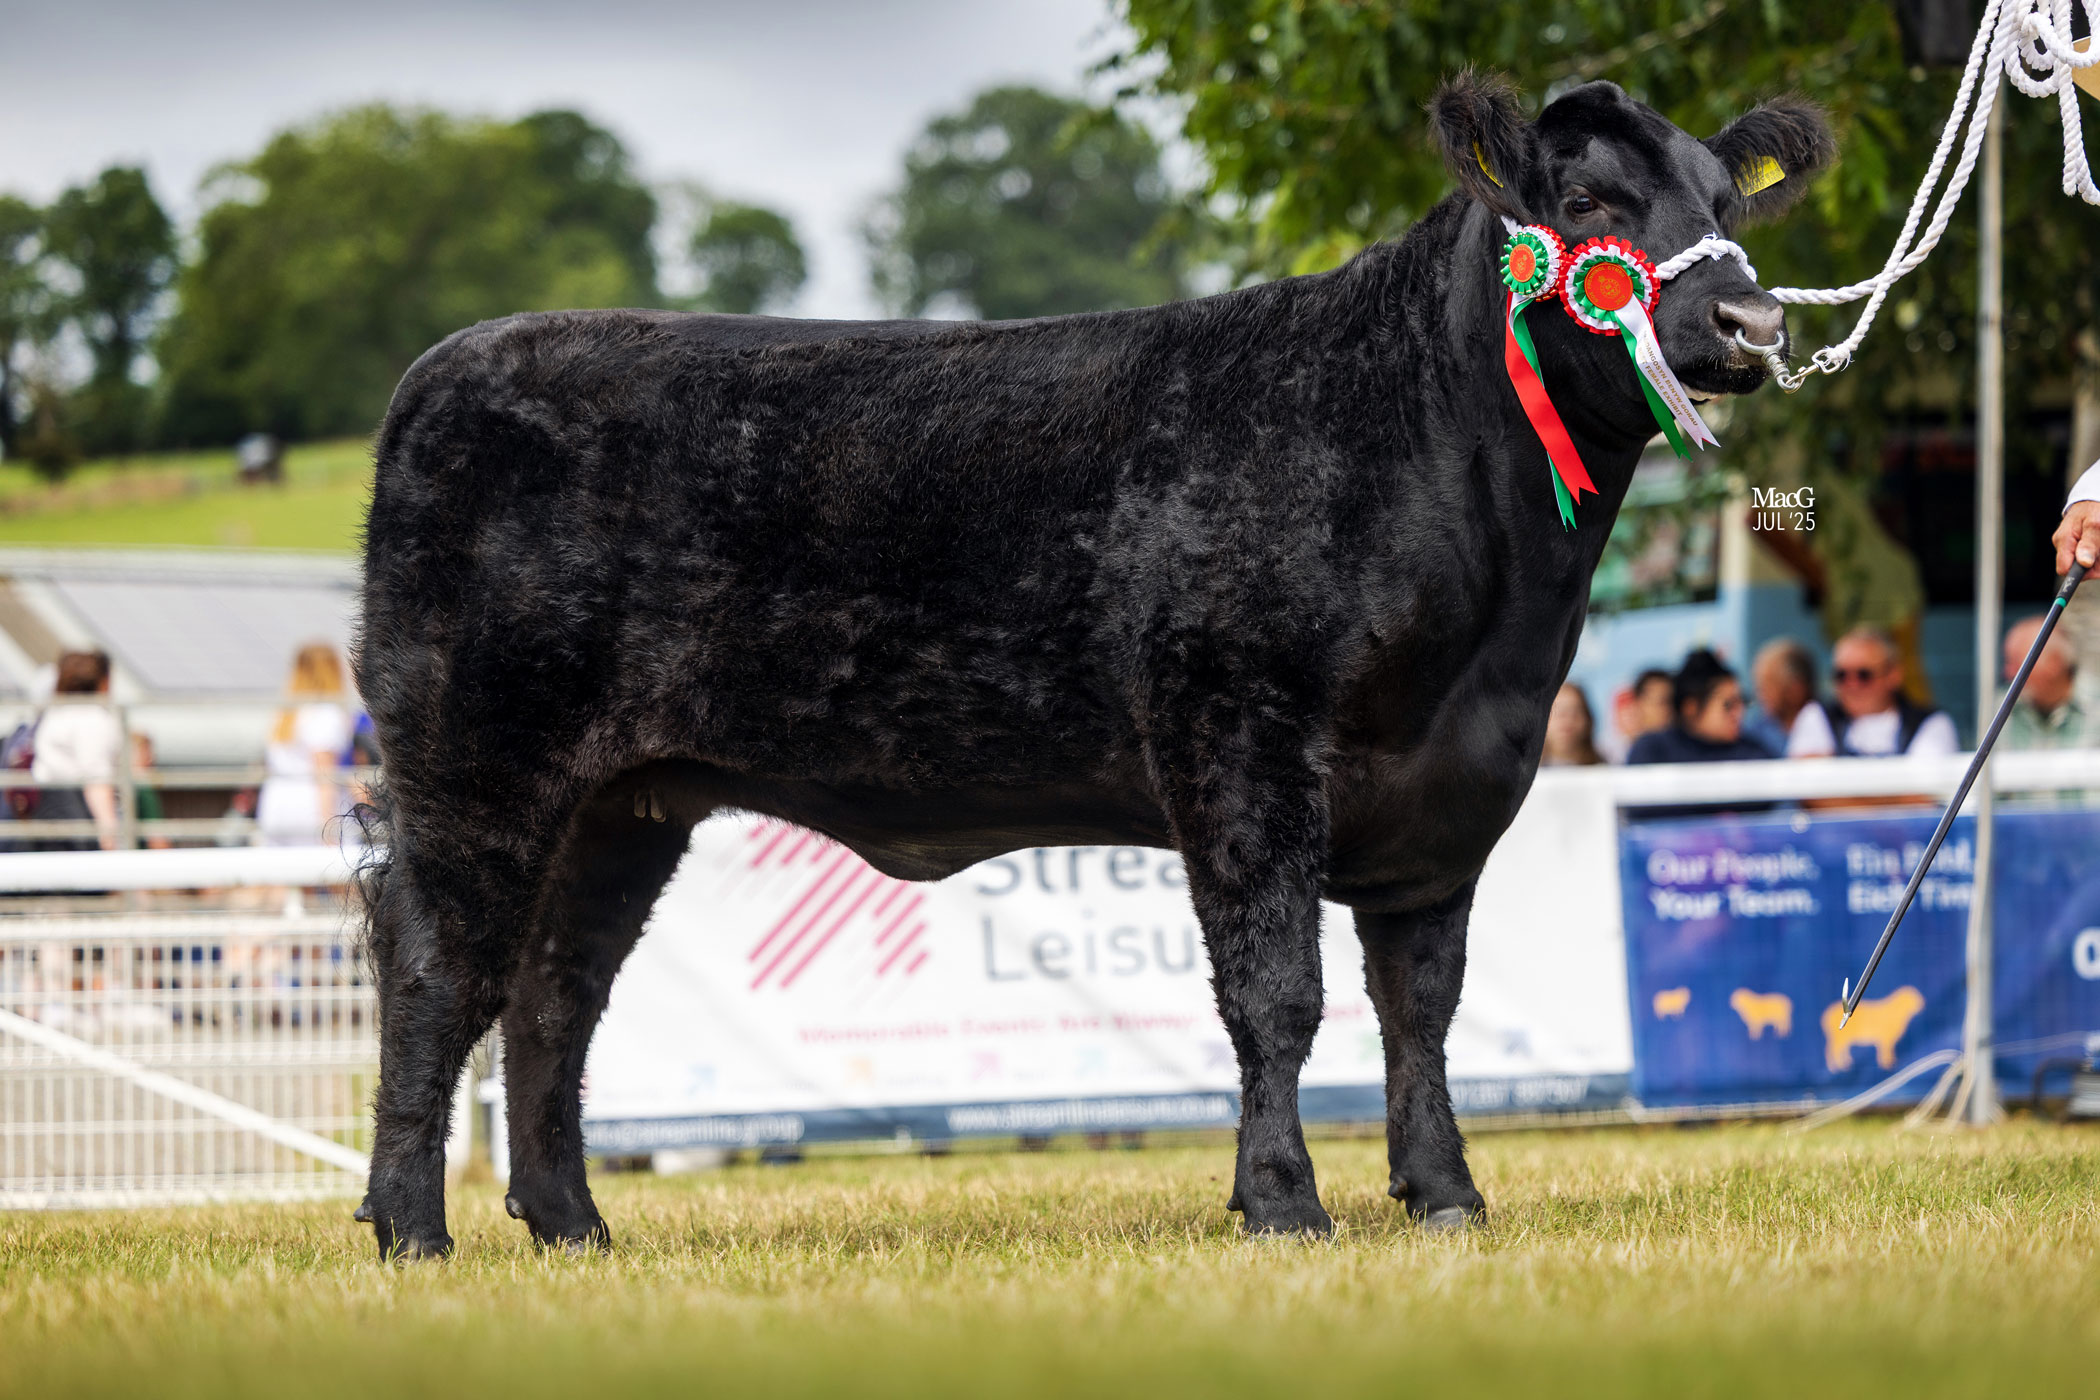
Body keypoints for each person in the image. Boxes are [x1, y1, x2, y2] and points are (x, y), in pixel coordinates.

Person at [1788, 625, 1957, 759]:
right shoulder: (1816, 715)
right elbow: (1812, 794)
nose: (1851, 684)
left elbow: (1928, 794)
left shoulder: (1931, 723)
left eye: (1864, 675)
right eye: (1841, 675)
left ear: (1893, 675)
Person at [257, 642, 354, 846]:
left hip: (276, 804)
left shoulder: (284, 713)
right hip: (310, 807)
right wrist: (330, 828)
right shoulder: (326, 713)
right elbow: (325, 774)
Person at [31, 650, 123, 851]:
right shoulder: (93, 718)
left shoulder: (54, 715)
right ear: (103, 681)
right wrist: (110, 832)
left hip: (45, 809)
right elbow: (96, 779)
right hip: (78, 812)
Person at [1628, 650, 1777, 766]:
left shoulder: (1752, 754)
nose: (1739, 712)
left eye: (1742, 702)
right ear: (1691, 707)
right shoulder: (1653, 752)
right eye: (1728, 704)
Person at [1748, 637, 1830, 757]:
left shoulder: (1833, 728)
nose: (1761, 695)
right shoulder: (1754, 737)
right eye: (1759, 687)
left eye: (1769, 685)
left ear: (1796, 688)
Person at [1602, 667, 1674, 763]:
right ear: (1638, 704)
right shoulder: (1611, 756)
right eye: (1661, 702)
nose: (1668, 710)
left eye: (1672, 702)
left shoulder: (1687, 749)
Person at [1541, 682, 1605, 766]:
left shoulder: (1608, 771)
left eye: (1575, 712)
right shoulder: (1524, 772)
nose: (1567, 720)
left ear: (1588, 720)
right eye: (1558, 711)